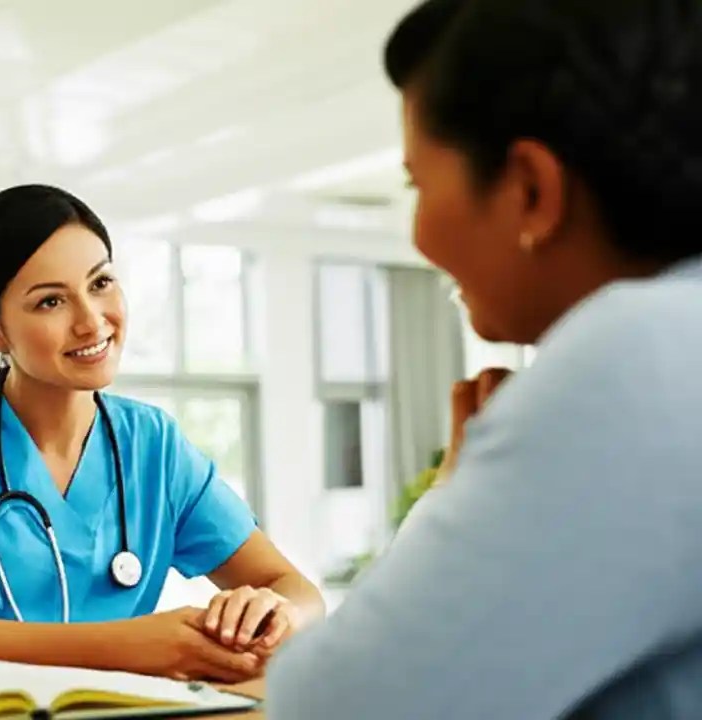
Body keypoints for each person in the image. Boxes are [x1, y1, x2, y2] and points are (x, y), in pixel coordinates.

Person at [267, 0, 702, 717]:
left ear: (531, 191)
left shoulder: (637, 354)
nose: (417, 233)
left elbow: (339, 704)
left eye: (417, 182)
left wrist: (454, 492)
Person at [0, 184, 324, 682]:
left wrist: (277, 613)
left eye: (100, 283)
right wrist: (133, 646)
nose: (91, 322)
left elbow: (297, 590)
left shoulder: (152, 444)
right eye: (51, 302)